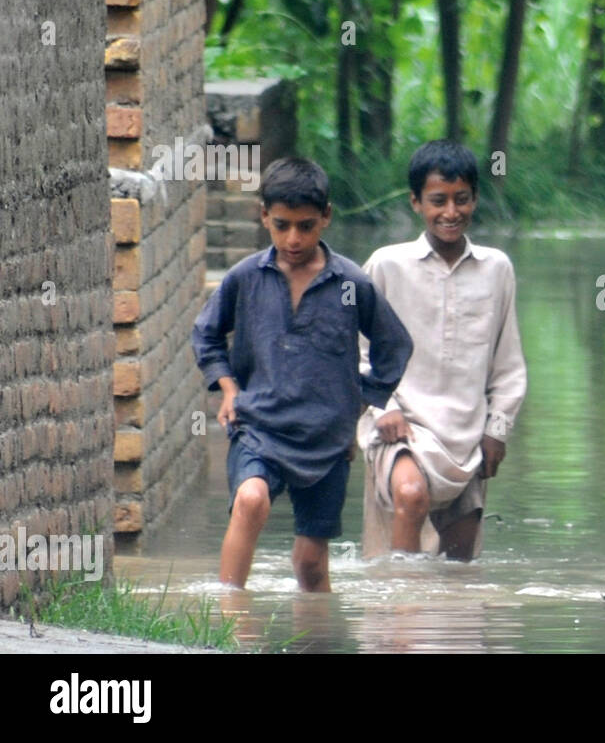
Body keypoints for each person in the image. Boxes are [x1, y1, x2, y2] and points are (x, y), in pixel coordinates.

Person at [192, 157, 413, 592]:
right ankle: (227, 619)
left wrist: (359, 401)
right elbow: (206, 335)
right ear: (263, 217)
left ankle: (317, 636)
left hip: (326, 441)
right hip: (259, 424)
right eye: (282, 225)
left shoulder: (350, 284)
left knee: (311, 564)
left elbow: (394, 345)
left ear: (326, 217)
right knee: (251, 499)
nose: (294, 238)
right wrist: (229, 388)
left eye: (306, 226)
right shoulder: (245, 278)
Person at [356, 140, 526, 561]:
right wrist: (383, 407)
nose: (451, 212)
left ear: (475, 200)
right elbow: (357, 349)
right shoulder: (385, 265)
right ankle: (401, 614)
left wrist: (496, 431)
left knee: (459, 562)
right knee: (409, 495)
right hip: (402, 424)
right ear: (416, 202)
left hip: (467, 434)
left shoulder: (497, 269)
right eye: (438, 201)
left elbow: (508, 365)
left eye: (461, 199)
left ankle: (449, 625)